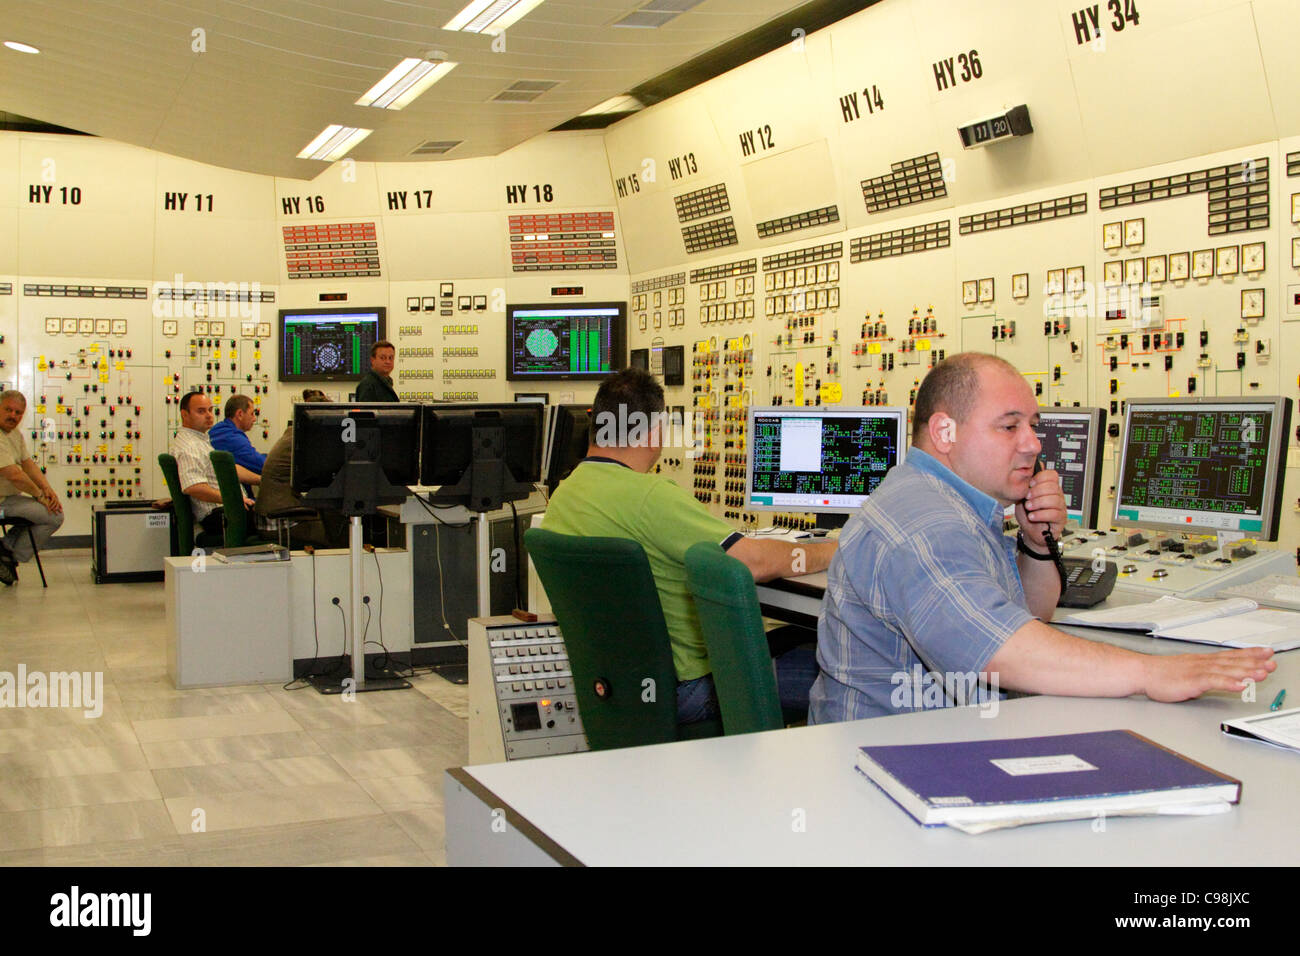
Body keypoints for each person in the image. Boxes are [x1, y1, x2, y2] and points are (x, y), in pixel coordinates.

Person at [810, 352, 1276, 723]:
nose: (1032, 443)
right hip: (892, 760)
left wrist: (1035, 541)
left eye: (1033, 425)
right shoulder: (925, 523)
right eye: (1009, 426)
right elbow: (1000, 651)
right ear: (944, 432)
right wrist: (1153, 671)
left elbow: (1028, 618)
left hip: (934, 734)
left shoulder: (957, 503)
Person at [542, 368, 836, 725]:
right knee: (855, 673)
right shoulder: (651, 497)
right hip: (694, 686)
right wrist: (833, 551)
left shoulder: (563, 495)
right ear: (654, 432)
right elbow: (752, 562)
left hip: (619, 685)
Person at [255, 389, 347, 548]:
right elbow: (325, 479)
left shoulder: (295, 434)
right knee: (345, 533)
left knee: (340, 520)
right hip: (284, 521)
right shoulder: (305, 440)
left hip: (276, 516)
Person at [170, 391, 260, 541]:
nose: (209, 415)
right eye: (201, 411)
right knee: (282, 517)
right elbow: (193, 486)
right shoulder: (189, 447)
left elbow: (230, 470)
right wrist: (233, 499)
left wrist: (260, 479)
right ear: (184, 415)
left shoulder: (200, 441)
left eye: (210, 410)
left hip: (226, 510)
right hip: (219, 515)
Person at [0, 390, 64, 585]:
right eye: (8, 410)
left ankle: (5, 552)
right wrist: (38, 494)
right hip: (2, 504)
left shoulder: (14, 434)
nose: (13, 415)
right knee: (54, 516)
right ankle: (9, 556)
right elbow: (14, 475)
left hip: (9, 499)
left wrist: (47, 489)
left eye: (18, 412)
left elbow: (27, 464)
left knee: (52, 513)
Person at [209, 394, 267, 475]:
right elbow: (263, 466)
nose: (254, 419)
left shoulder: (217, 429)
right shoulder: (234, 438)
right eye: (252, 414)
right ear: (240, 414)